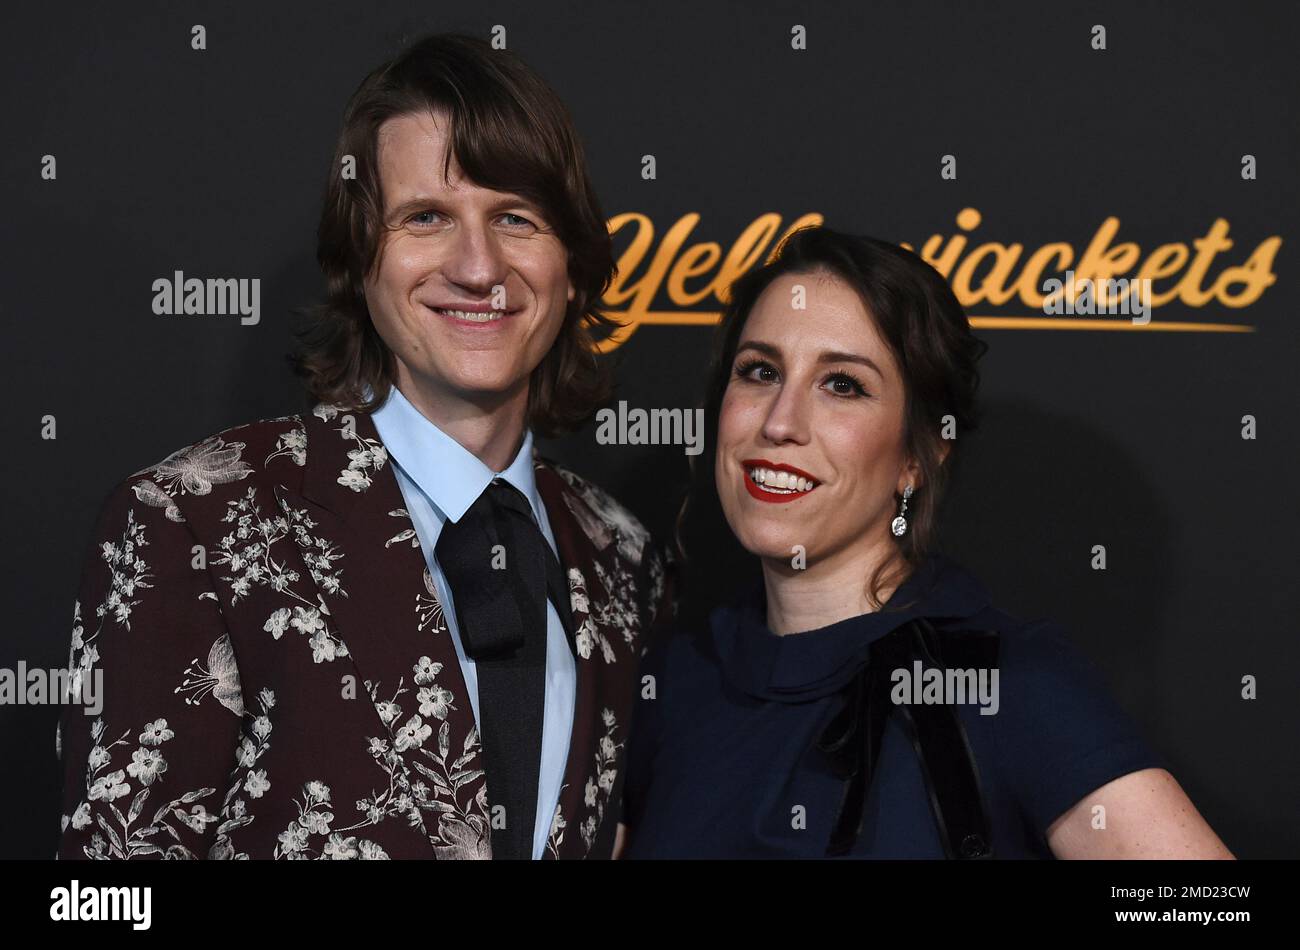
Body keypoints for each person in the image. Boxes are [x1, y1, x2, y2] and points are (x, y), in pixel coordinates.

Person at [56, 33, 668, 861]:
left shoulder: (620, 554)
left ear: (570, 265)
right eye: (427, 218)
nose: (479, 266)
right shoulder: (191, 521)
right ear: (360, 256)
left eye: (515, 219)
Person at [617, 226, 1232, 859]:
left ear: (918, 455)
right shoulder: (672, 682)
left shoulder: (1004, 685)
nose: (779, 422)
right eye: (760, 371)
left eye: (843, 385)